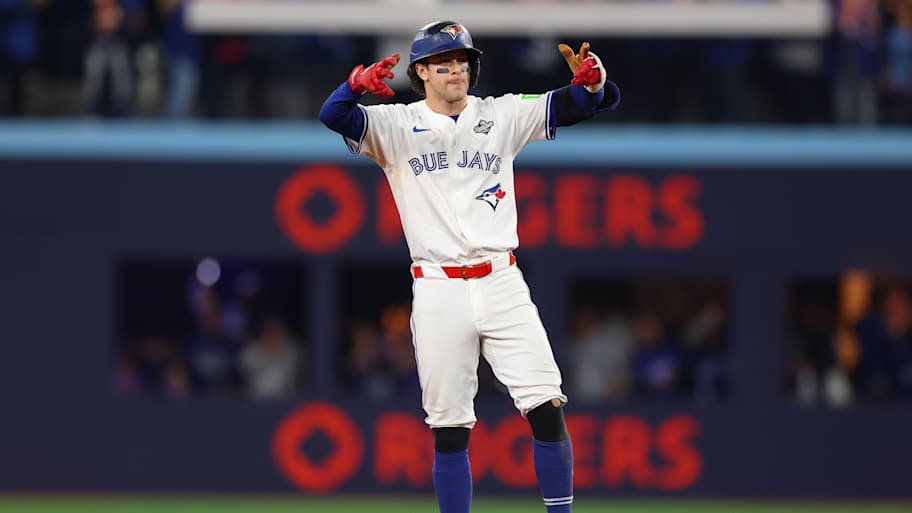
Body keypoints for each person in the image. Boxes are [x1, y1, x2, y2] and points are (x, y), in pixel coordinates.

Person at [319, 21, 619, 513]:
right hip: (438, 287)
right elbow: (334, 116)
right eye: (445, 63)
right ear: (421, 72)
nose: (456, 70)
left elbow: (579, 104)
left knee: (547, 405)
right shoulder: (395, 124)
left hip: (500, 277)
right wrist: (353, 87)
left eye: (463, 61)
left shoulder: (498, 114)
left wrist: (594, 84)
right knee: (450, 428)